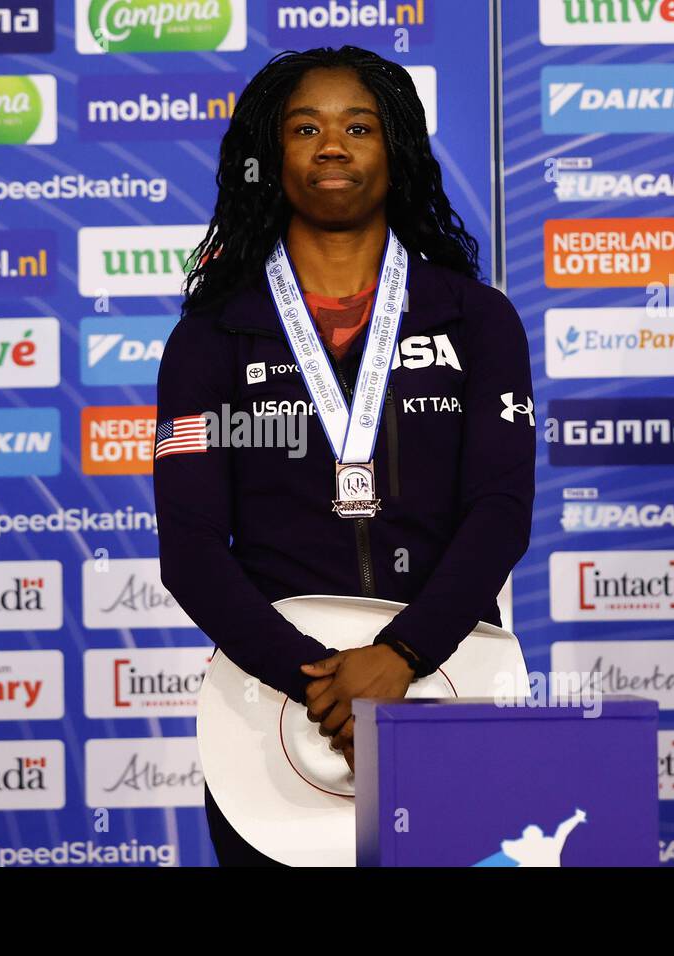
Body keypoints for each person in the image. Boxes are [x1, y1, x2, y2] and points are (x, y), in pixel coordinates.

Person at [153, 46, 536, 866]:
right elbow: (188, 552)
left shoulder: (477, 321)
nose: (333, 146)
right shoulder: (212, 337)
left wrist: (400, 657)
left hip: (449, 681)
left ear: (393, 151)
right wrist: (324, 684)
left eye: (358, 127)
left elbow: (500, 514)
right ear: (272, 157)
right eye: (306, 129)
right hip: (273, 712)